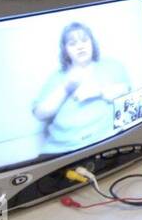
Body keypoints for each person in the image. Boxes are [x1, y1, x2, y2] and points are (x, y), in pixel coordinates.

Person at [31, 22, 131, 154]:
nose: (80, 46)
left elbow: (126, 92)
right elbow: (40, 114)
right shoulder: (56, 77)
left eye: (84, 40)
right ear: (65, 50)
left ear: (92, 43)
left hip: (107, 142)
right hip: (62, 149)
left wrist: (99, 91)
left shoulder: (111, 65)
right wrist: (66, 87)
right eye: (72, 43)